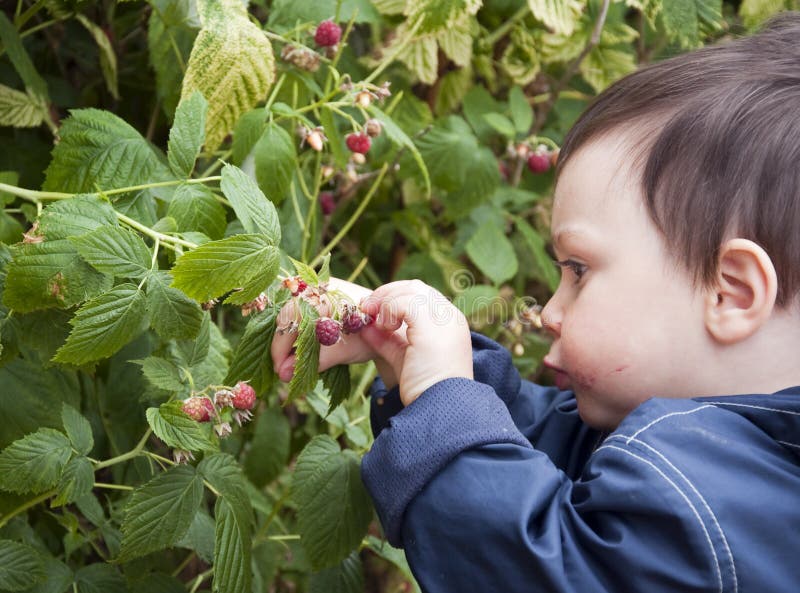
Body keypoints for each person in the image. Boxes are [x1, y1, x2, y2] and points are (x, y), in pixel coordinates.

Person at [271, 13, 800, 592]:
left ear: (731, 292)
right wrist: (425, 367)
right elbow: (553, 454)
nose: (549, 311)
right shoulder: (727, 472)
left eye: (578, 270)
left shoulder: (705, 515)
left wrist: (443, 403)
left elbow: (535, 565)